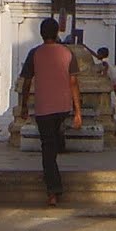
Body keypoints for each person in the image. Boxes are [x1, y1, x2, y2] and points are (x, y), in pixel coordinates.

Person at [18, 17, 83, 207]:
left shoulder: (35, 54)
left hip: (44, 108)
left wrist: (24, 105)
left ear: (41, 33)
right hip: (63, 107)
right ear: (57, 33)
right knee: (52, 144)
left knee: (47, 149)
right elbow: (73, 83)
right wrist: (77, 112)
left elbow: (27, 82)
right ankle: (54, 180)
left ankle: (53, 191)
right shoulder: (67, 53)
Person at [96, 48, 116, 119]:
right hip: (115, 79)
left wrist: (102, 76)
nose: (97, 55)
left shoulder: (104, 63)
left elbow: (105, 70)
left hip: (109, 82)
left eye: (98, 54)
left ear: (101, 55)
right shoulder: (111, 64)